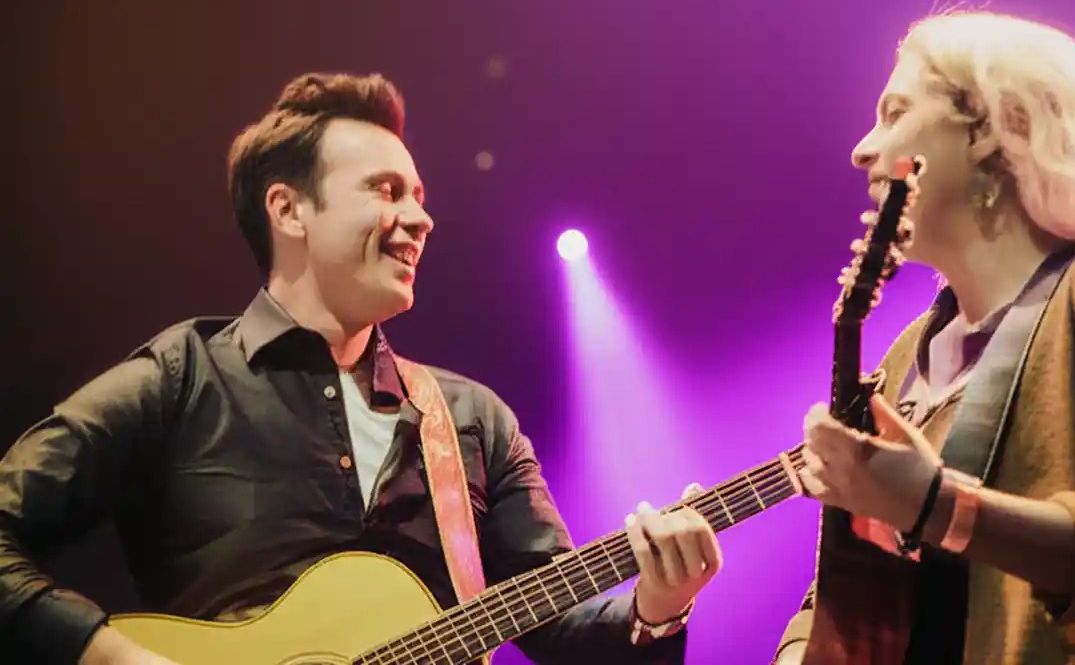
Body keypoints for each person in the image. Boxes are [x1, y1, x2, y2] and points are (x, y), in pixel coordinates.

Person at [0, 72, 722, 664]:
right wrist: (113, 656)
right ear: (288, 210)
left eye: (420, 197)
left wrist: (657, 610)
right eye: (386, 190)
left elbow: (559, 627)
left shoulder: (473, 420)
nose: (421, 217)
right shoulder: (183, 376)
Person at [775, 11, 1075, 664]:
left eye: (895, 113)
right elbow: (862, 583)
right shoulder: (908, 356)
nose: (863, 148)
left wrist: (938, 506)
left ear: (990, 127)